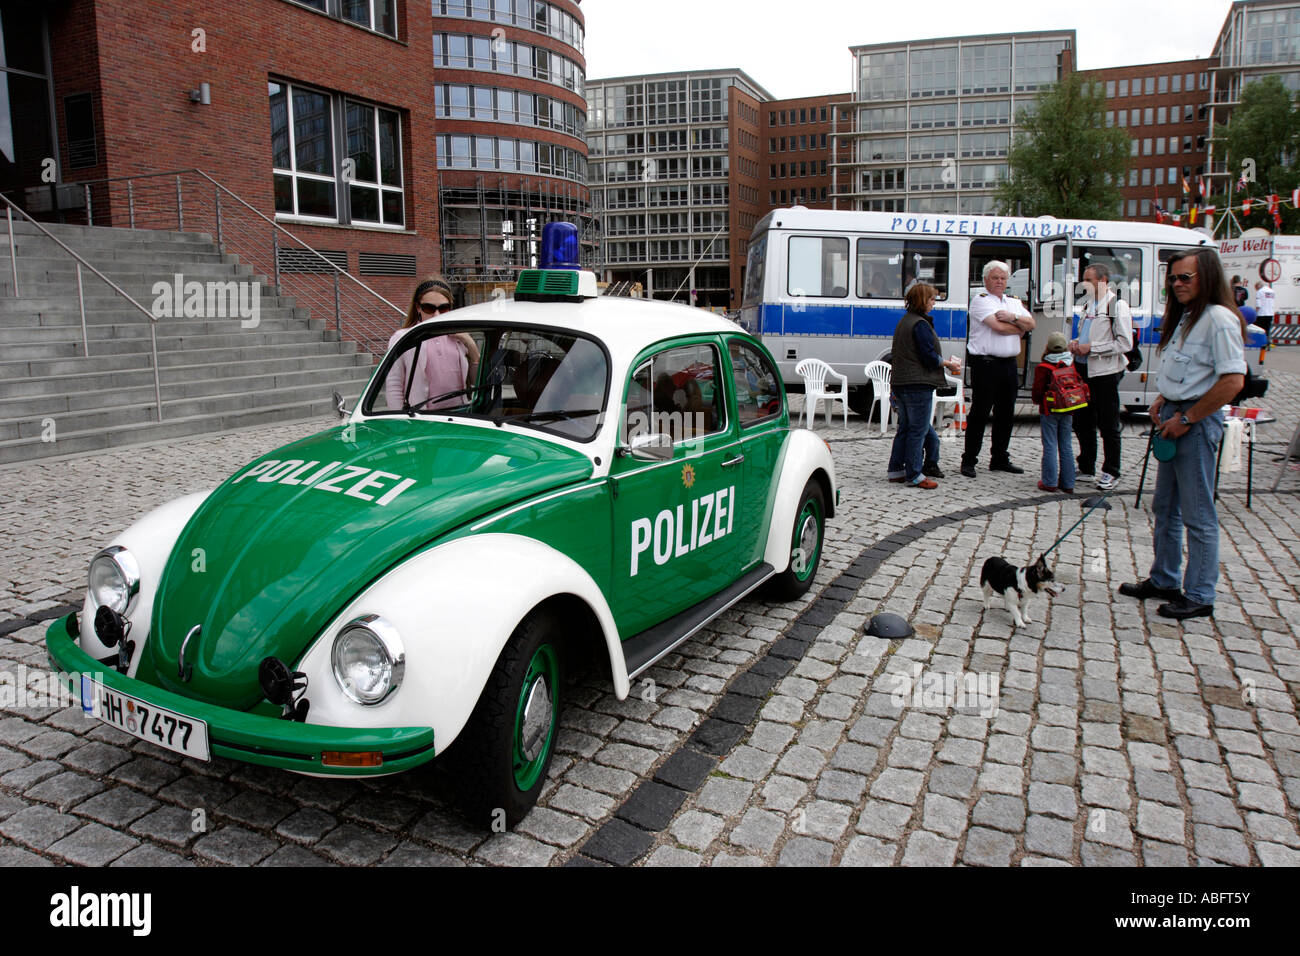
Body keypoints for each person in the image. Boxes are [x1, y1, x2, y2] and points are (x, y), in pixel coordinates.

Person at [1119, 248, 1247, 620]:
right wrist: (1164, 398)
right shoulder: (1191, 316)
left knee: (1198, 514)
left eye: (1184, 277)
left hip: (1194, 422)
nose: (1176, 284)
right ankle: (1164, 578)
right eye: (1172, 278)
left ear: (1206, 277)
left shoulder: (1220, 319)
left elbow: (1232, 381)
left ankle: (1200, 594)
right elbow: (1187, 369)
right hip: (1175, 416)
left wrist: (1188, 418)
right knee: (1165, 507)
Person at [961, 260, 1035, 478]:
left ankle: (1000, 458)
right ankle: (969, 459)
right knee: (980, 413)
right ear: (986, 280)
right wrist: (1018, 328)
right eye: (995, 278)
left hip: (1009, 364)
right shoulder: (981, 301)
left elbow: (1032, 324)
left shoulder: (1012, 303)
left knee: (1006, 414)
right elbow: (998, 328)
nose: (1000, 282)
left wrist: (1014, 318)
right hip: (986, 363)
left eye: (1003, 278)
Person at [885, 283, 962, 489]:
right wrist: (948, 363)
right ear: (922, 301)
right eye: (931, 299)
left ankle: (896, 470)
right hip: (917, 383)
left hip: (901, 382)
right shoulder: (919, 324)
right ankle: (914, 474)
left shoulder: (905, 321)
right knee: (917, 430)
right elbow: (928, 357)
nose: (934, 303)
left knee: (906, 428)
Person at [1069, 263, 1133, 491]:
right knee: (1082, 421)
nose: (1085, 284)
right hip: (1084, 369)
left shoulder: (1117, 305)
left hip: (1105, 372)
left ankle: (1111, 470)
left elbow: (1124, 343)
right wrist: (1077, 344)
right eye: (1084, 279)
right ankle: (1086, 466)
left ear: (1103, 280)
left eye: (1089, 280)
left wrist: (1092, 348)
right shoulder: (1088, 304)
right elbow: (1085, 333)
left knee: (1108, 423)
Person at [384, 276, 480, 411]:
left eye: (443, 308)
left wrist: (470, 344)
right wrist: (400, 424)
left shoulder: (459, 337)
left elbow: (477, 382)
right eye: (429, 308)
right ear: (418, 307)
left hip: (460, 414)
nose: (436, 314)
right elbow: (394, 386)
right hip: (422, 419)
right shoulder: (403, 338)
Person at [1032, 331, 1080, 493]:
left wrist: (1039, 401)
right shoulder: (1070, 364)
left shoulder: (1043, 367)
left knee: (1050, 444)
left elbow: (1037, 392)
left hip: (1049, 410)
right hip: (1068, 409)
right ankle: (1068, 483)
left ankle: (1049, 482)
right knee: (1066, 445)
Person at [1254, 279, 1276, 362]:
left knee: (1260, 330)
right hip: (1270, 313)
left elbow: (1258, 304)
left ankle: (1260, 346)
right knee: (1267, 330)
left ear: (1258, 286)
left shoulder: (1260, 292)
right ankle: (1266, 345)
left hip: (1261, 314)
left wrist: (1255, 312)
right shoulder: (1272, 291)